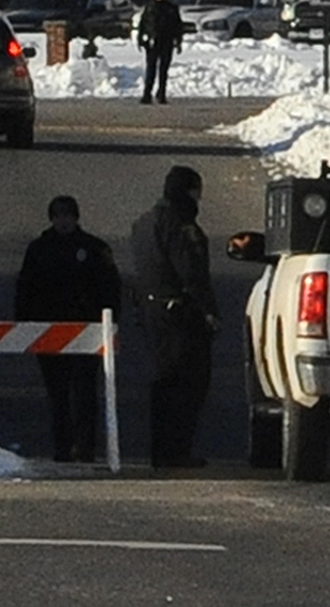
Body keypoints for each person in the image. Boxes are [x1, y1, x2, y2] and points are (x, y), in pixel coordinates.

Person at [14, 195, 121, 463]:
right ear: (52, 219)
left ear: (76, 217)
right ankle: (62, 447)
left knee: (85, 392)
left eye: (68, 215)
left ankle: (85, 447)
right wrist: (26, 326)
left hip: (86, 330)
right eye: (58, 216)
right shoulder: (39, 249)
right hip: (48, 331)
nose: (63, 221)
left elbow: (111, 287)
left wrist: (109, 325)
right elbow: (25, 289)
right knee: (57, 393)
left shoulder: (94, 248)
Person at [131, 164, 218, 469]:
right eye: (196, 191)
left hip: (152, 310)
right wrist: (209, 310)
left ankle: (161, 450)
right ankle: (177, 450)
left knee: (162, 383)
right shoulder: (180, 225)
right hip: (181, 314)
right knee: (188, 384)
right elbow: (191, 272)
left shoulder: (142, 223)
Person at [136, 0, 184, 104]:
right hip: (153, 42)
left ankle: (161, 93)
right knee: (151, 69)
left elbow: (178, 26)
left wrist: (178, 42)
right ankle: (147, 94)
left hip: (167, 41)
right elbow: (143, 24)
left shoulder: (171, 8)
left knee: (163, 70)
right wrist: (140, 39)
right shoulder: (150, 7)